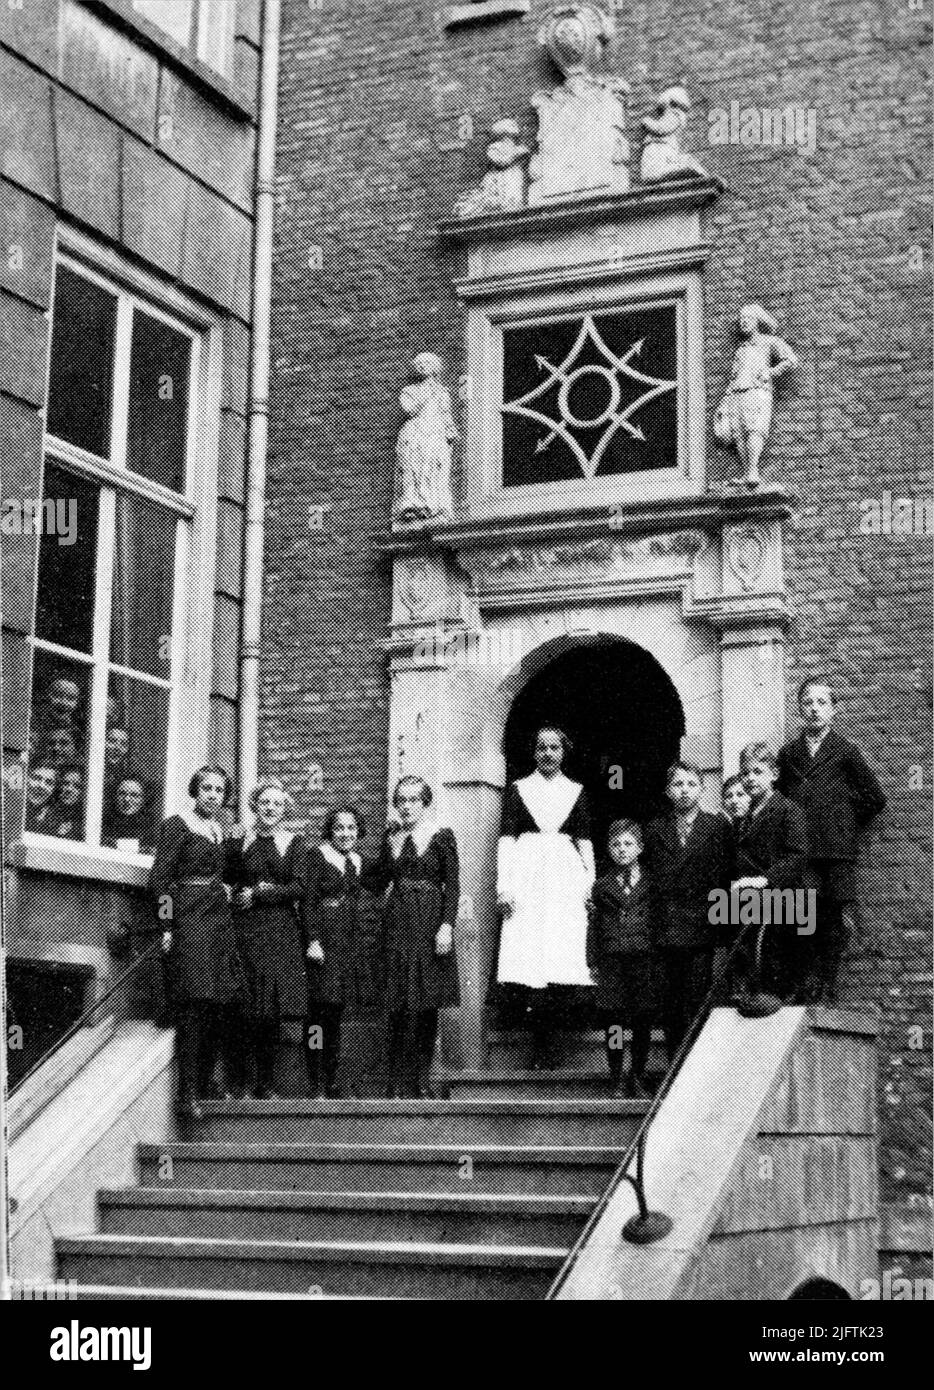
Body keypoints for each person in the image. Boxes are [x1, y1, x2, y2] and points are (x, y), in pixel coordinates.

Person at [776, 677, 886, 1004]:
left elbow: (874, 797)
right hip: (802, 852)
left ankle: (827, 982)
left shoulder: (845, 751)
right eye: (808, 703)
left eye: (822, 703)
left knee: (836, 917)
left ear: (833, 710)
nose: (814, 709)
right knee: (803, 914)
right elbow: (781, 799)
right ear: (800, 709)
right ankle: (807, 982)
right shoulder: (788, 754)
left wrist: (844, 822)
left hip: (836, 852)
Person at [496, 726, 596, 1067]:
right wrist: (504, 886)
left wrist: (589, 883)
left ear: (563, 752)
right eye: (541, 748)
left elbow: (585, 841)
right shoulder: (518, 789)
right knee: (530, 957)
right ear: (534, 752)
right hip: (527, 878)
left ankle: (556, 1046)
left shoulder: (576, 791)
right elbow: (506, 839)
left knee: (560, 955)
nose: (547, 754)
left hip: (565, 879)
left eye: (554, 748)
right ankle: (538, 1046)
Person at [148, 765, 243, 1117]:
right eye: (207, 789)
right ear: (195, 790)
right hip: (189, 920)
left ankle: (206, 1082)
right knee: (194, 1002)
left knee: (218, 1002)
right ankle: (185, 1094)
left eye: (219, 791)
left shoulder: (218, 829)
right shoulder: (177, 824)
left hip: (218, 920)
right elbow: (159, 880)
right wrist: (167, 924)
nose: (213, 796)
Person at [366, 776, 459, 1099]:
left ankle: (420, 1080)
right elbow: (375, 883)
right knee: (397, 1003)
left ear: (425, 802)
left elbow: (453, 886)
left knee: (426, 1004)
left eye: (412, 800)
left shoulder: (441, 836)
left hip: (431, 921)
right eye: (400, 800)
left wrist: (447, 926)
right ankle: (393, 1082)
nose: (406, 806)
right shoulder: (392, 837)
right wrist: (382, 847)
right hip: (398, 922)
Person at [644, 761, 734, 1061]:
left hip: (702, 927)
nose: (684, 791)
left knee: (697, 997)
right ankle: (674, 1062)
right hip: (667, 927)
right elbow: (650, 879)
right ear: (668, 791)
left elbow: (724, 878)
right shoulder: (656, 829)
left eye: (691, 784)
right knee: (670, 1002)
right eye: (678, 785)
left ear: (702, 788)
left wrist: (721, 929)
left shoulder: (717, 826)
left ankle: (694, 1063)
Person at [228, 778, 307, 1100]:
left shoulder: (295, 842)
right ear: (255, 806)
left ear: (284, 808)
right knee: (246, 1006)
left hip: (279, 930)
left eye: (276, 803)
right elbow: (228, 879)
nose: (270, 808)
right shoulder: (242, 839)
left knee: (271, 1008)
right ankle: (242, 1083)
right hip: (245, 929)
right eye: (265, 802)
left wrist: (260, 894)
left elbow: (300, 887)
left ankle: (267, 1083)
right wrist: (232, 850)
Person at [304, 806, 380, 1098]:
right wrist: (313, 940)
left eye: (350, 828)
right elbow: (309, 902)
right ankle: (315, 1082)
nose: (345, 834)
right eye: (339, 828)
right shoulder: (318, 857)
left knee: (335, 1015)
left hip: (348, 947)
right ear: (330, 831)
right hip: (322, 946)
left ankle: (332, 1079)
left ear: (358, 832)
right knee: (316, 1017)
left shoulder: (359, 861)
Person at [731, 742, 809, 1004]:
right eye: (745, 773)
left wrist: (764, 879)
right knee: (749, 956)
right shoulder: (744, 817)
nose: (750, 779)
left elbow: (798, 856)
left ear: (773, 774)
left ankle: (774, 996)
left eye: (757, 772)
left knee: (774, 959)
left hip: (785, 902)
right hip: (750, 903)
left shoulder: (788, 810)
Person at [587, 819, 658, 1099]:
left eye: (628, 844)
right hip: (612, 961)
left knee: (642, 1020)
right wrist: (592, 960)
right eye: (616, 844)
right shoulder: (601, 886)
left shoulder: (652, 882)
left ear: (639, 848)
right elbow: (593, 925)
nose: (622, 850)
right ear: (609, 849)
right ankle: (617, 1076)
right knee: (614, 1022)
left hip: (644, 959)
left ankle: (637, 1075)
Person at [102, 775, 156, 853]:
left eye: (134, 795)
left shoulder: (151, 826)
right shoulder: (105, 821)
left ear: (143, 799)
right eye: (122, 793)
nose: (127, 799)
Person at [52, 764, 85, 840]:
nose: (69, 789)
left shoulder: (85, 823)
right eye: (65, 783)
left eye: (77, 786)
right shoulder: (47, 814)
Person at [24, 763, 58, 832]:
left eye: (49, 782)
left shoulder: (53, 823)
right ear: (26, 777)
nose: (41, 786)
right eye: (36, 778)